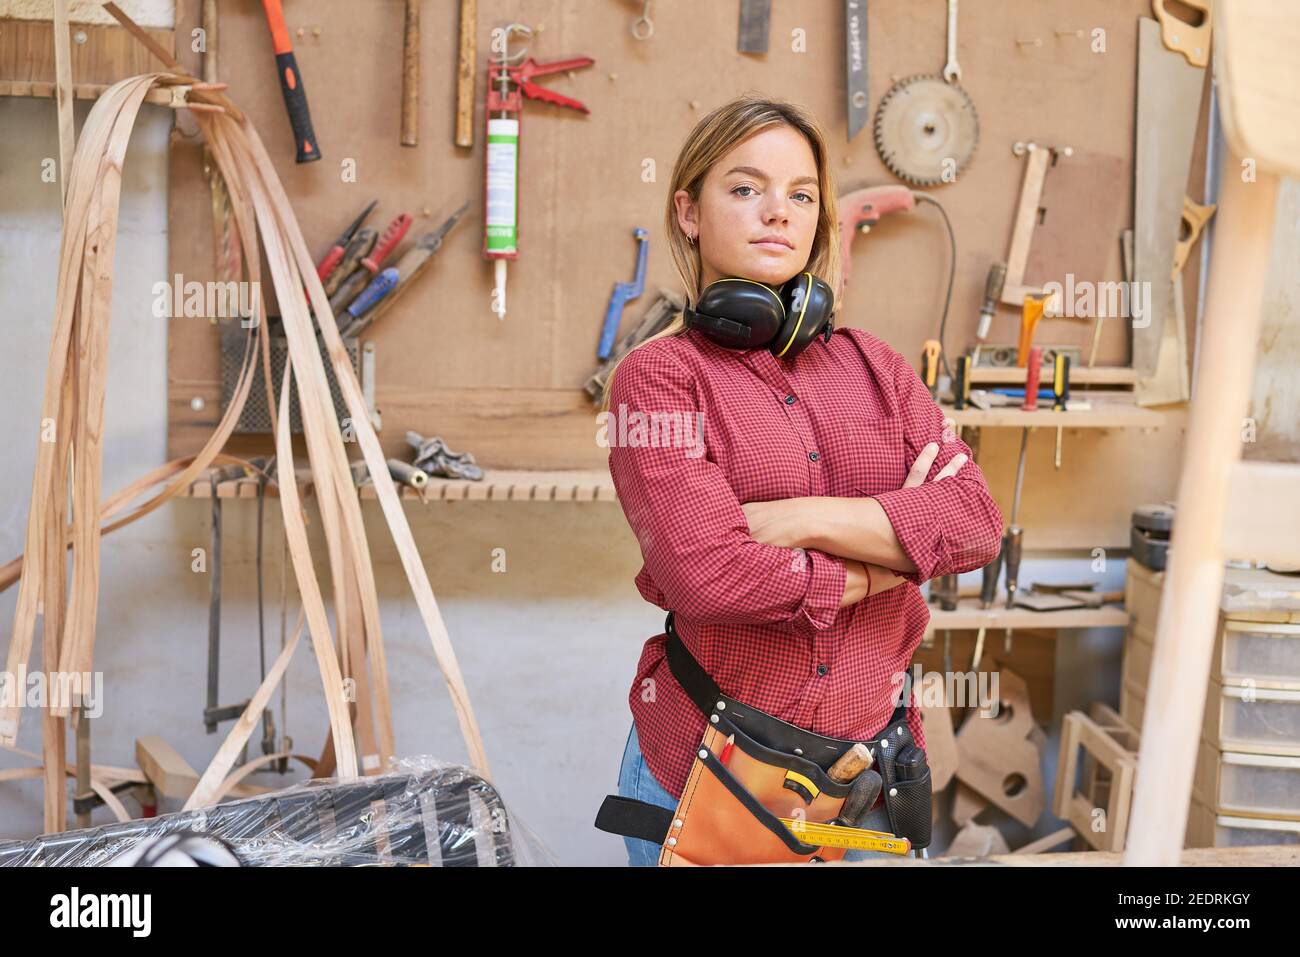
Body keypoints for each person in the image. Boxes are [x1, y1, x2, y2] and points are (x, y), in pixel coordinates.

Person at [600, 95, 1004, 866]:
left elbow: (977, 521)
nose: (777, 214)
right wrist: (895, 555)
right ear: (689, 211)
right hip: (712, 773)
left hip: (872, 781)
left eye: (802, 195)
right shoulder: (659, 382)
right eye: (746, 189)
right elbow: (710, 575)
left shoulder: (878, 368)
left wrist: (803, 517)